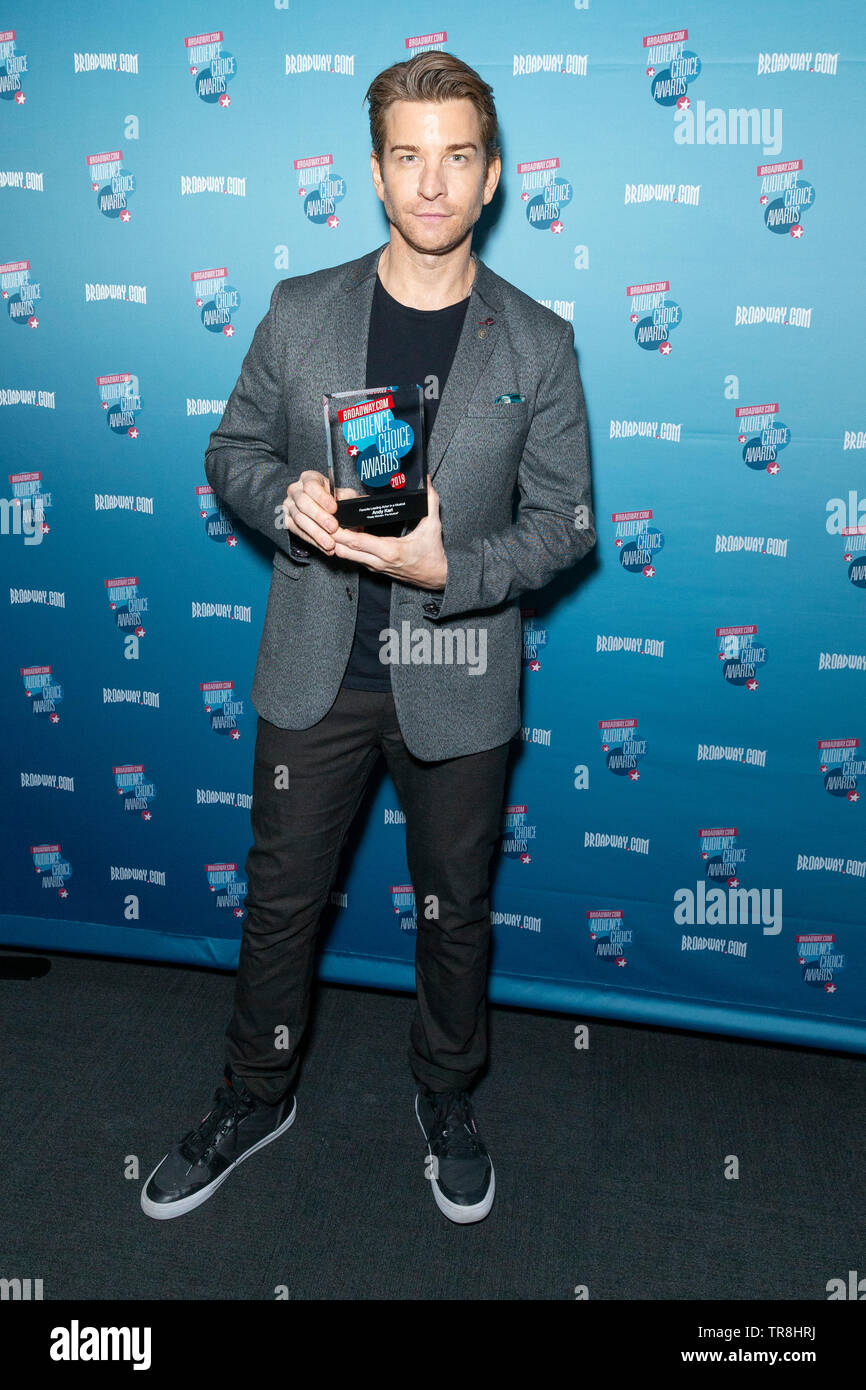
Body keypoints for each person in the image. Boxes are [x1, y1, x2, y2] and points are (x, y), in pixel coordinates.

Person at [141, 49, 595, 1226]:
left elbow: (565, 527)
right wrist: (280, 496)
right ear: (377, 174)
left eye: (456, 158)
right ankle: (258, 1088)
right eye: (408, 157)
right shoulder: (301, 312)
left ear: (490, 178)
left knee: (454, 906)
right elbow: (228, 453)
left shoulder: (537, 343)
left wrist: (460, 567)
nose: (431, 183)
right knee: (281, 903)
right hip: (318, 666)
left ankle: (444, 1092)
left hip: (456, 669)